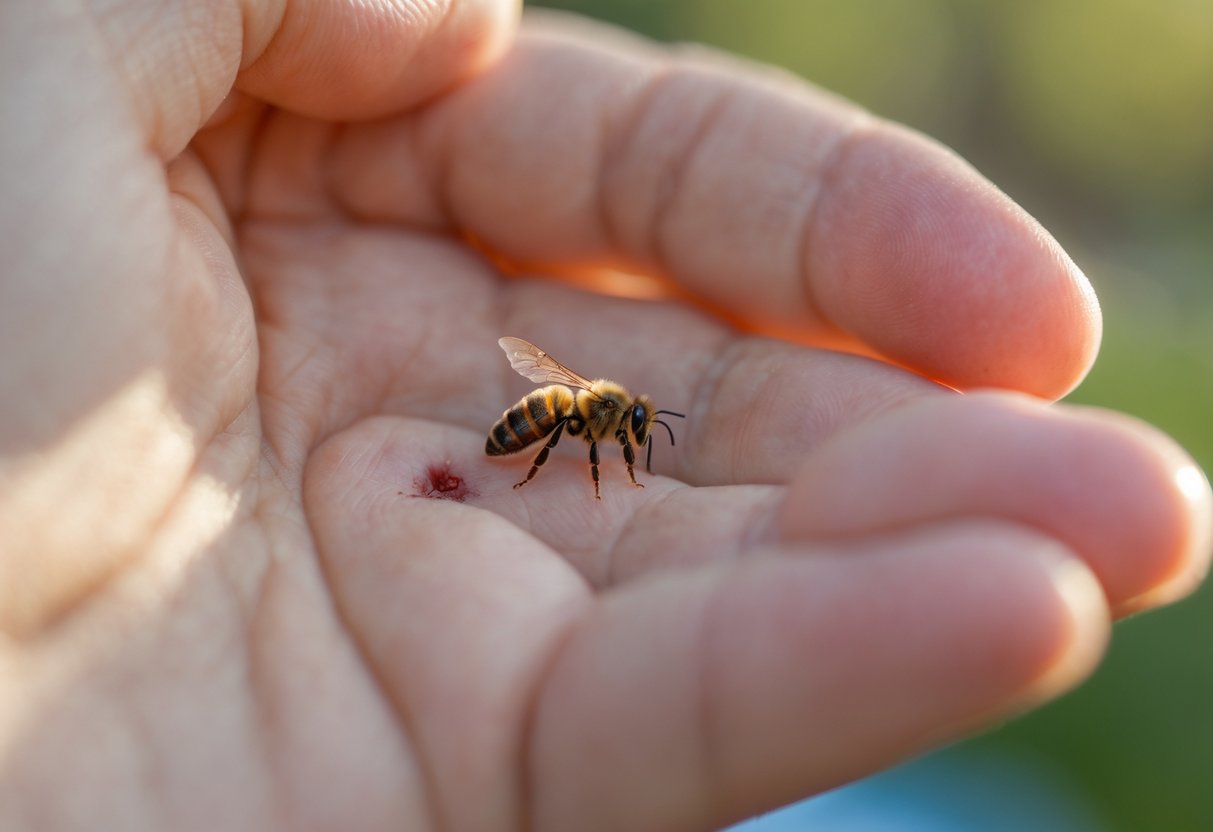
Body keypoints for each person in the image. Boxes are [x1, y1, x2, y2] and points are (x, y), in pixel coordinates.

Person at [1, 2, 1208, 829]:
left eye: (627, 440)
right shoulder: (582, 424)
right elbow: (570, 431)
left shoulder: (584, 408)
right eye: (626, 438)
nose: (624, 447)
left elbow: (566, 412)